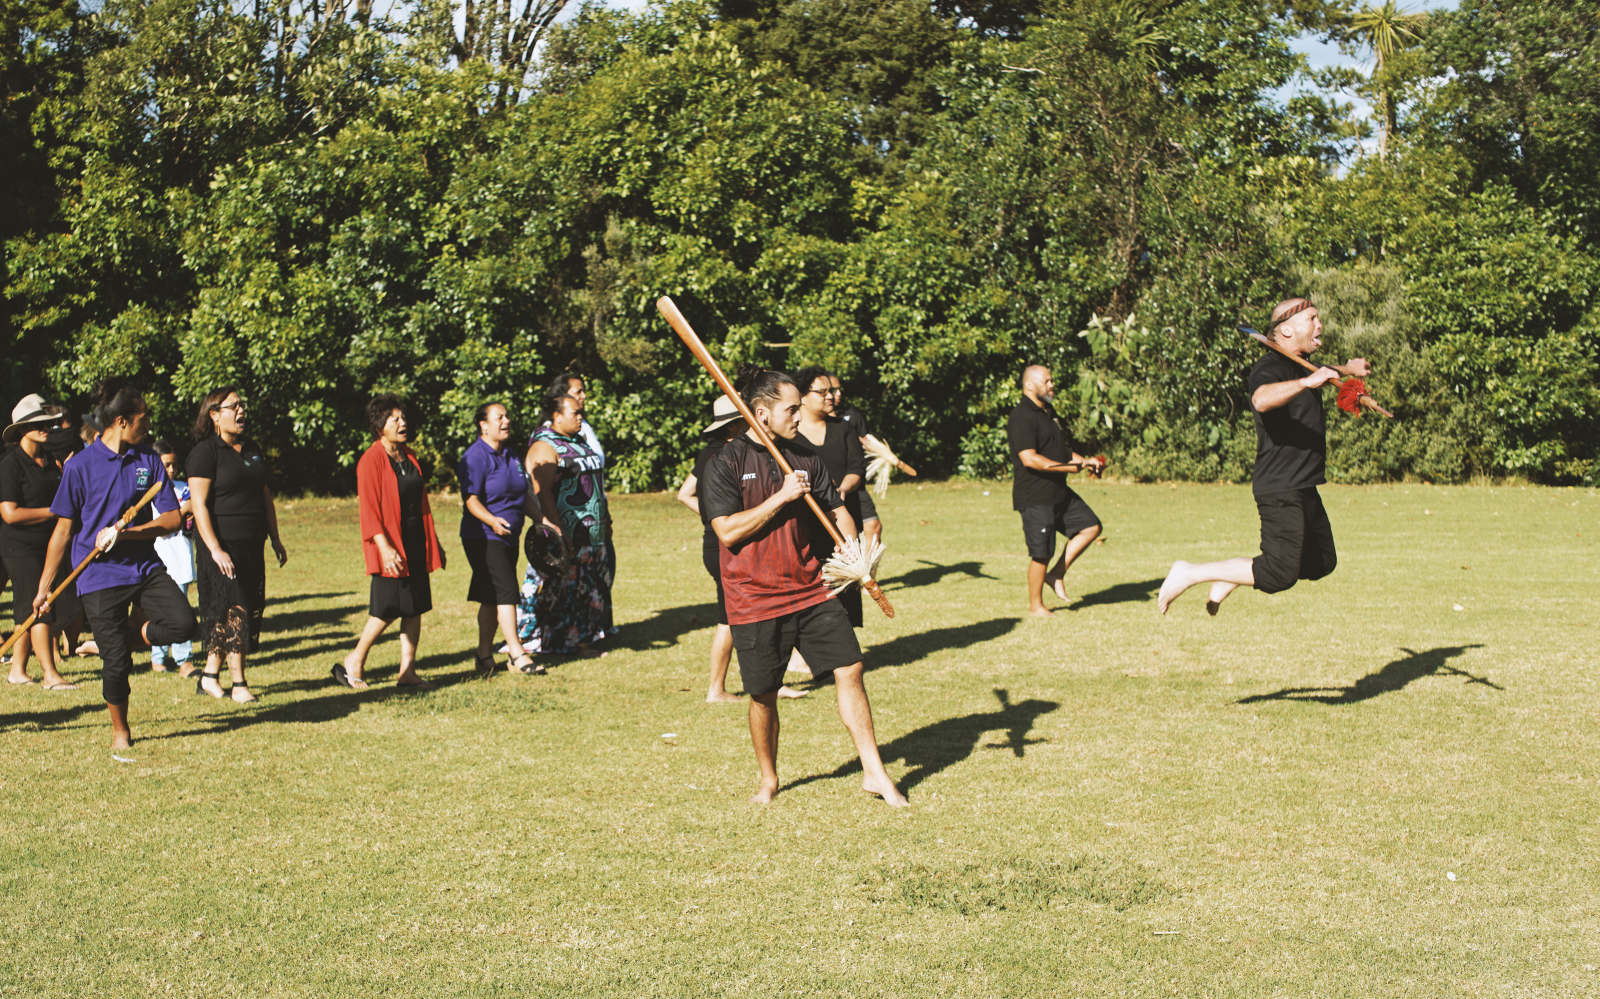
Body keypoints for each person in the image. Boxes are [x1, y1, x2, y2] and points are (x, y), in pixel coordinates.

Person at [700, 371, 906, 807]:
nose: (799, 416)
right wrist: (782, 497)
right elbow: (728, 532)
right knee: (764, 693)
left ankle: (873, 771)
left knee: (850, 667)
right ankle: (769, 778)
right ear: (761, 413)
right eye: (790, 409)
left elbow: (837, 510)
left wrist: (851, 552)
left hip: (811, 588)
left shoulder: (805, 456)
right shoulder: (725, 462)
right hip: (753, 596)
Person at [1158, 298, 1371, 614]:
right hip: (1280, 485)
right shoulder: (1270, 368)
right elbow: (1261, 399)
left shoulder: (1300, 365)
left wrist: (1345, 370)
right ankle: (1191, 572)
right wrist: (1309, 382)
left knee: (1322, 561)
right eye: (1311, 318)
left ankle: (1234, 575)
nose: (1319, 324)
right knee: (1279, 574)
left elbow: (1319, 372)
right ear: (1285, 330)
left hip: (1304, 483)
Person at [35, 381, 196, 750]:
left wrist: (129, 533)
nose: (148, 427)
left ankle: (116, 641)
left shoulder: (148, 460)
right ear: (121, 421)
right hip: (97, 574)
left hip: (142, 566)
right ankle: (120, 730)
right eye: (144, 420)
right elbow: (62, 532)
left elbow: (172, 521)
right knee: (117, 665)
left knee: (183, 623)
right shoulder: (80, 467)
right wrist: (43, 589)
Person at [676, 395, 805, 703]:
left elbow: (684, 494)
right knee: (731, 619)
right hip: (727, 547)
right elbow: (685, 495)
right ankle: (717, 689)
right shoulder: (722, 456)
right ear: (737, 423)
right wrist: (718, 520)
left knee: (760, 612)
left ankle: (771, 680)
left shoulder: (716, 453)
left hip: (733, 542)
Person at [334, 396, 444, 689]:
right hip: (390, 543)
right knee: (386, 608)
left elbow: (420, 502)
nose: (402, 423)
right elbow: (369, 509)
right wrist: (384, 547)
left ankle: (407, 671)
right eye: (394, 419)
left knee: (415, 606)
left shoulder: (409, 456)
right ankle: (354, 660)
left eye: (403, 417)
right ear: (379, 425)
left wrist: (434, 542)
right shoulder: (371, 460)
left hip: (415, 541)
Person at [187, 388, 287, 702]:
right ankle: (239, 683)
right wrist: (215, 549)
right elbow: (199, 505)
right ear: (214, 415)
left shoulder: (252, 449)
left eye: (242, 404)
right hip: (220, 546)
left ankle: (208, 676)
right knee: (235, 610)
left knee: (230, 611)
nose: (241, 411)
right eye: (233, 406)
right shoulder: (205, 453)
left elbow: (264, 494)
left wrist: (275, 536)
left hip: (251, 544)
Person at [517, 393, 612, 656]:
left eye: (581, 412)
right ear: (557, 416)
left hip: (592, 532)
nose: (581, 417)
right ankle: (558, 642)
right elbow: (542, 492)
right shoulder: (545, 446)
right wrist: (556, 530)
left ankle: (585, 638)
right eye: (575, 413)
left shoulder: (578, 441)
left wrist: (606, 519)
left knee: (588, 588)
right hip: (567, 532)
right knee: (563, 590)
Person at [1007, 365, 1106, 616]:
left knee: (1090, 526)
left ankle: (1056, 574)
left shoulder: (1048, 413)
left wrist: (1085, 461)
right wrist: (1064, 467)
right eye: (1047, 381)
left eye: (1052, 380)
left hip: (1058, 492)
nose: (1052, 385)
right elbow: (1029, 458)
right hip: (1035, 497)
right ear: (1030, 386)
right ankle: (1036, 606)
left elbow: (1061, 452)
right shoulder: (1021, 417)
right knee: (1042, 553)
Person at [2, 394, 81, 689]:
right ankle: (50, 674)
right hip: (18, 546)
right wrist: (53, 512)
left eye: (48, 422)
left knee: (28, 607)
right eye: (39, 424)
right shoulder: (11, 465)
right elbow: (10, 513)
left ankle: (18, 671)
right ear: (23, 429)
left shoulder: (50, 461)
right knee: (39, 603)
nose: (46, 428)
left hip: (47, 543)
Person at [458, 401, 540, 675]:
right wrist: (492, 521)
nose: (506, 421)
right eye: (499, 418)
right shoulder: (475, 457)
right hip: (483, 536)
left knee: (490, 596)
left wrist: (541, 519)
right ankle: (516, 653)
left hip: (509, 535)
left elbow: (523, 495)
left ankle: (483, 658)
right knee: (506, 591)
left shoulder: (512, 455)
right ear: (483, 425)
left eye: (507, 416)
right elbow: (471, 501)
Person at [792, 366, 866, 628]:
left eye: (831, 391)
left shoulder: (842, 429)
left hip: (843, 514)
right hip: (808, 522)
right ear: (802, 396)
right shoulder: (792, 435)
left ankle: (844, 638)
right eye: (821, 392)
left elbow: (857, 467)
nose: (829, 397)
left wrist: (843, 489)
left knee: (844, 584)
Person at [149, 440, 194, 675]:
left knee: (182, 609)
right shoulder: (150, 492)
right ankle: (158, 657)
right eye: (166, 465)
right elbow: (163, 524)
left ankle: (183, 658)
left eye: (173, 465)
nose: (171, 470)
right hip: (161, 559)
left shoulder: (183, 488)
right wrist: (185, 509)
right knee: (162, 612)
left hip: (181, 557)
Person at [831, 375, 883, 548]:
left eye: (839, 390)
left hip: (855, 484)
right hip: (831, 488)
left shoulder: (851, 416)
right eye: (832, 390)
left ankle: (868, 573)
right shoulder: (809, 423)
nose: (836, 394)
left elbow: (866, 440)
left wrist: (887, 455)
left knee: (873, 527)